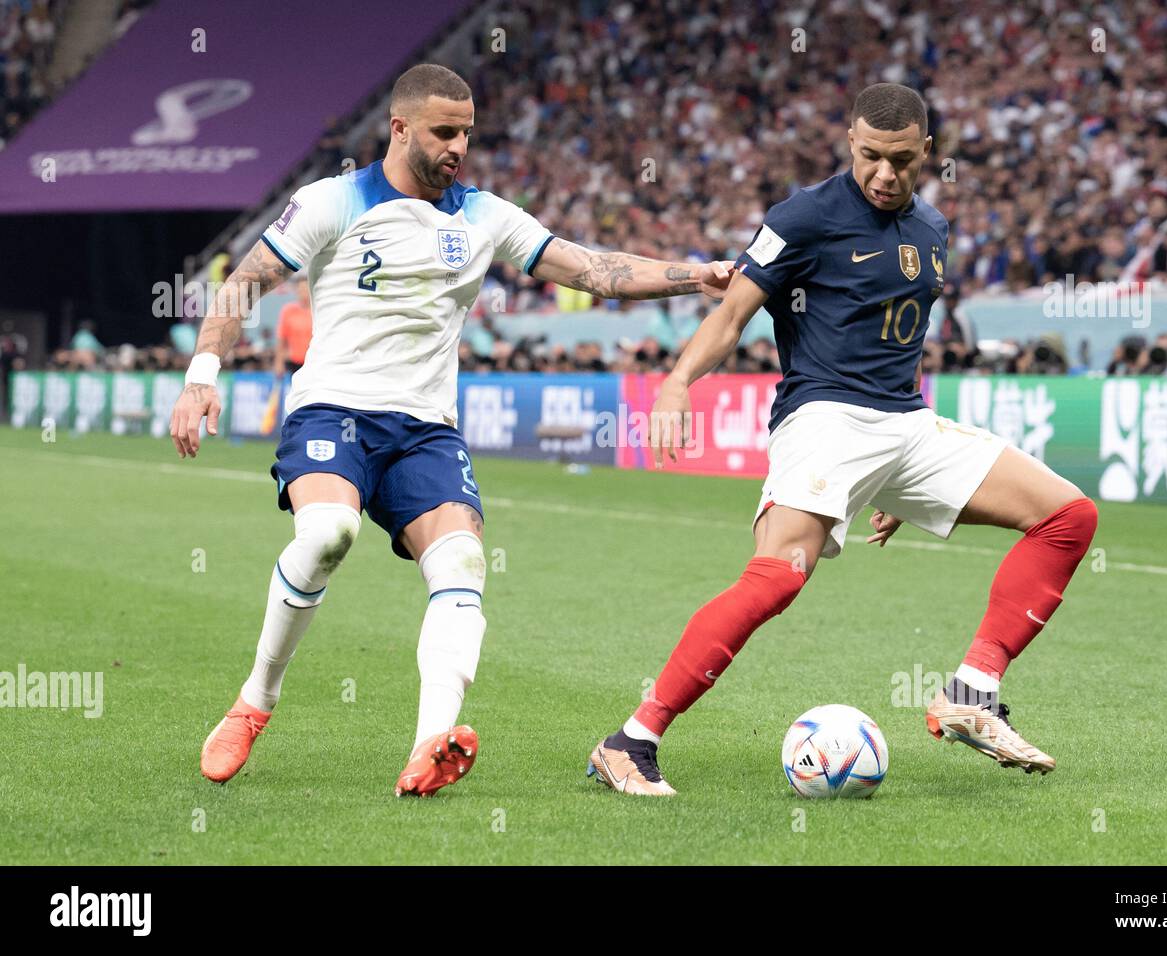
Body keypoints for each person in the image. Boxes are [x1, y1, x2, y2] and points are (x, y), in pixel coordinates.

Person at [169, 64, 732, 797]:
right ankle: (256, 702)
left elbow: (594, 269)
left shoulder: (485, 216)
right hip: (333, 410)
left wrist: (699, 276)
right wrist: (202, 375)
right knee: (327, 536)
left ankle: (430, 746)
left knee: (463, 565)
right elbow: (243, 282)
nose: (459, 145)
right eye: (444, 131)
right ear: (399, 128)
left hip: (426, 430)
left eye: (467, 131)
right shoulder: (332, 201)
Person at [587, 83, 1097, 797]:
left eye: (899, 160)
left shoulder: (933, 229)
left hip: (905, 422)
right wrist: (676, 385)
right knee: (777, 580)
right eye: (868, 157)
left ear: (927, 152)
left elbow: (905, 340)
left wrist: (900, 478)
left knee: (1069, 517)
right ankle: (629, 743)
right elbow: (733, 316)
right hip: (824, 417)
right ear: (849, 144)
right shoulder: (804, 215)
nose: (883, 174)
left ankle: (972, 692)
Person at [274, 277, 313, 378]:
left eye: (306, 290)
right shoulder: (288, 311)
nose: (303, 294)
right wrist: (279, 362)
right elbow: (282, 339)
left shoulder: (318, 311)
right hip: (294, 362)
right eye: (300, 290)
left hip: (314, 361)